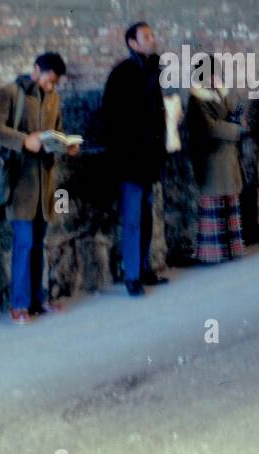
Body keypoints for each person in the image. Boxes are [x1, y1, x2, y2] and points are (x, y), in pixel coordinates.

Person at [0, 52, 77, 325]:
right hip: (20, 183)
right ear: (36, 70)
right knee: (24, 244)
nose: (50, 87)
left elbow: (57, 132)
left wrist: (66, 145)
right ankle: (19, 305)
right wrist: (25, 141)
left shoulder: (53, 99)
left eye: (54, 84)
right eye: (48, 81)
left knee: (39, 243)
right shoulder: (10, 93)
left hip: (45, 184)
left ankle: (39, 301)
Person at [101, 22, 169, 297]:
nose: (152, 40)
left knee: (147, 218)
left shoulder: (152, 69)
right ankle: (131, 276)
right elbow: (111, 119)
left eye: (152, 35)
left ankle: (143, 269)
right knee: (132, 218)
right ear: (132, 42)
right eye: (146, 36)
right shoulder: (123, 73)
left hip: (150, 159)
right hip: (130, 161)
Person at [185, 68, 247, 264]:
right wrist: (236, 129)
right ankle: (214, 253)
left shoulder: (221, 93)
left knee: (229, 203)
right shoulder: (197, 98)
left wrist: (226, 94)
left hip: (228, 156)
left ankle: (232, 250)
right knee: (214, 202)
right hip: (211, 157)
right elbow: (208, 127)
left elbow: (235, 112)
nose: (215, 77)